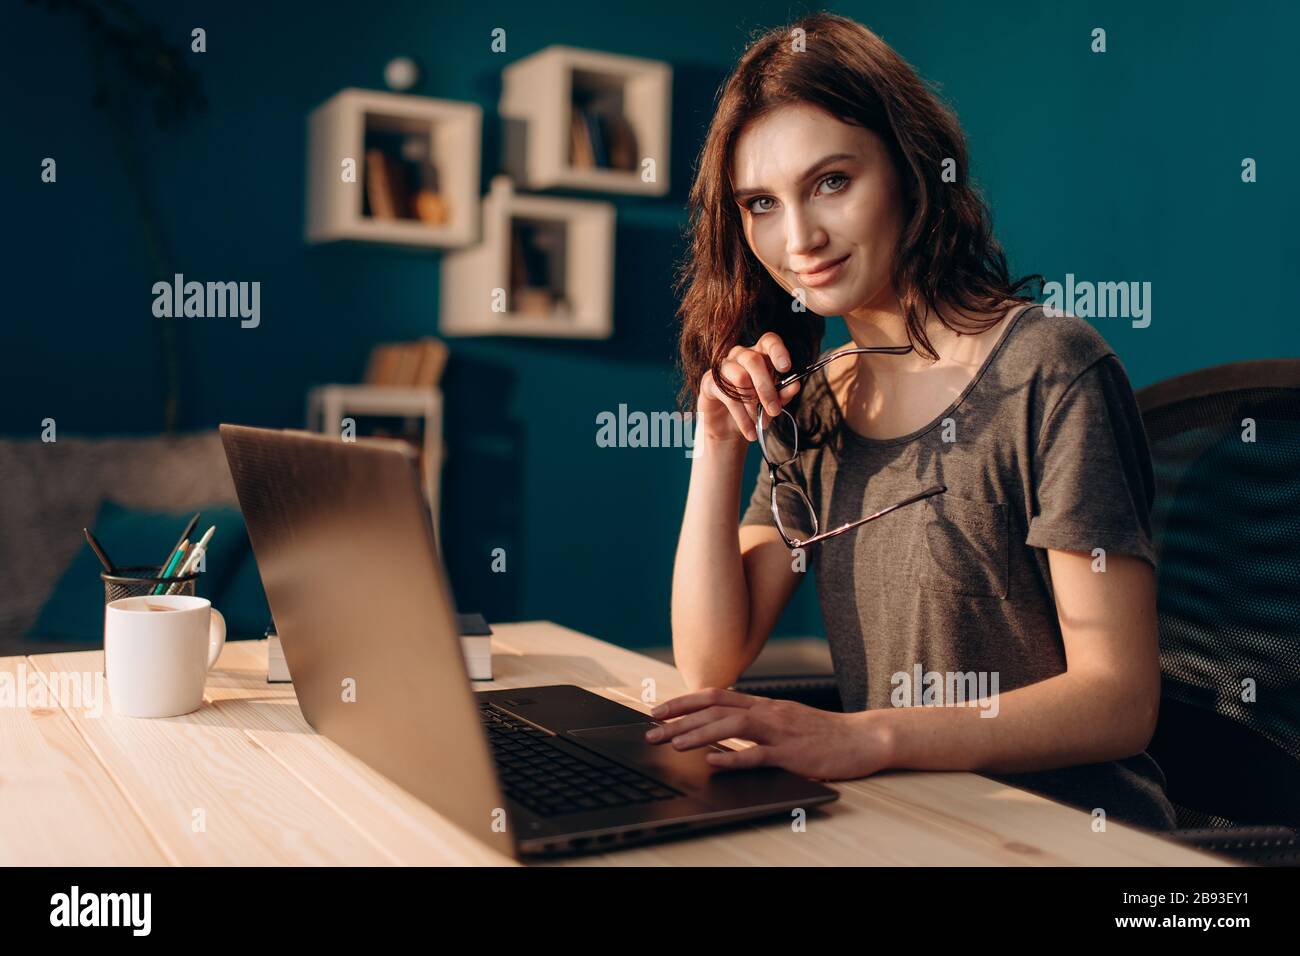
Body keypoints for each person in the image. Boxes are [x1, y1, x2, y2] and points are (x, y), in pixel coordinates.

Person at [658, 12, 1177, 831]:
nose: (799, 239)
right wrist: (717, 444)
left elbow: (1118, 702)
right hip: (909, 818)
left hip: (1070, 832)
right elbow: (710, 657)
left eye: (832, 181)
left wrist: (866, 738)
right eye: (761, 203)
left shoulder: (1049, 367)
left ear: (910, 170)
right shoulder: (816, 406)